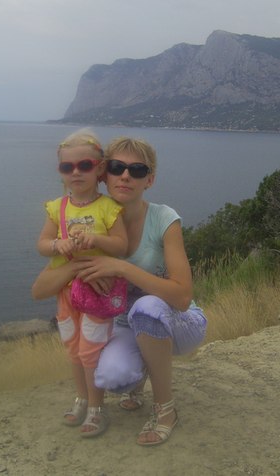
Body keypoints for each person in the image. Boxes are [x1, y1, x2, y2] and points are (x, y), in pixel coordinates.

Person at [32, 136, 207, 446]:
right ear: (104, 174)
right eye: (117, 167)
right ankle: (139, 376)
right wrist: (76, 268)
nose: (125, 176)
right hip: (125, 325)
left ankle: (165, 410)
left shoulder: (164, 220)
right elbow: (39, 290)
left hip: (178, 321)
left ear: (149, 180)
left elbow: (181, 297)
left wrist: (121, 268)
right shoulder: (90, 227)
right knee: (111, 376)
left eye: (137, 170)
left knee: (146, 308)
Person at [36, 128, 128, 438]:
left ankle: (96, 408)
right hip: (66, 293)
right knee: (73, 348)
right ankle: (82, 398)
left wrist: (96, 239)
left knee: (91, 349)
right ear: (61, 171)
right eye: (67, 167)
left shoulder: (108, 208)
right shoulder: (57, 208)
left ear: (99, 168)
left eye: (84, 165)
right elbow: (42, 244)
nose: (76, 172)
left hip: (96, 292)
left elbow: (121, 246)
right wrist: (57, 245)